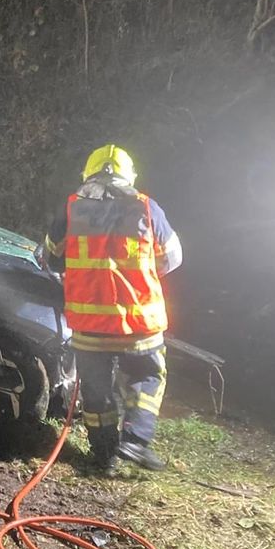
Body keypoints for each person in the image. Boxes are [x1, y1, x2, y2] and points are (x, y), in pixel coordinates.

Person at [41, 145, 183, 473]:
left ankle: (104, 456)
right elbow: (173, 258)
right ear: (129, 175)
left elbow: (51, 256)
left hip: (89, 325)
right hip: (139, 323)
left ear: (88, 174)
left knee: (95, 389)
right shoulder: (148, 208)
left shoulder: (71, 209)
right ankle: (135, 440)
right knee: (146, 375)